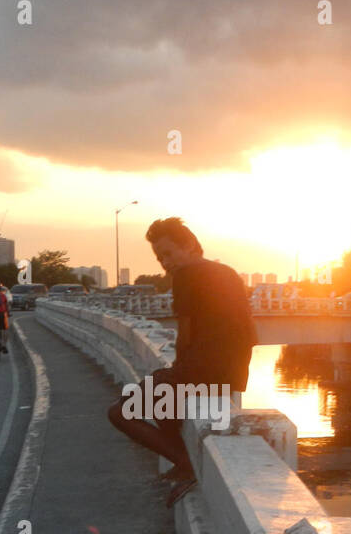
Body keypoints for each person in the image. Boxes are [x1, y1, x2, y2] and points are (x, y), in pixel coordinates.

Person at [107, 217, 256, 507]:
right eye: (160, 257)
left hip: (201, 371)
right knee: (165, 400)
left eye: (169, 254)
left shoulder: (187, 275)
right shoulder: (227, 272)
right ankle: (184, 461)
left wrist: (179, 371)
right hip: (230, 374)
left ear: (189, 246)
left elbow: (185, 334)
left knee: (120, 413)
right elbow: (249, 331)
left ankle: (185, 462)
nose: (165, 263)